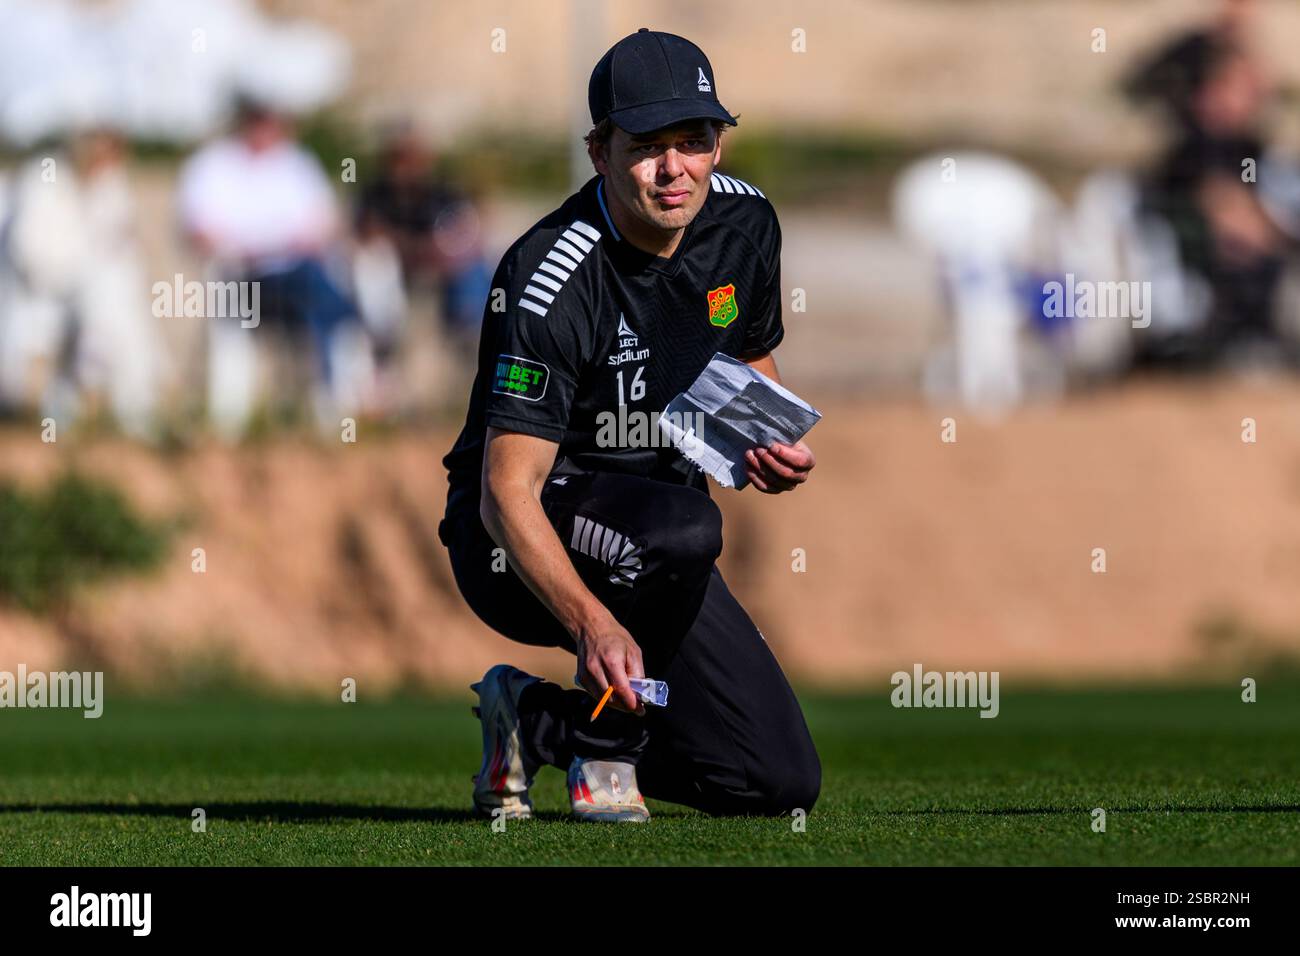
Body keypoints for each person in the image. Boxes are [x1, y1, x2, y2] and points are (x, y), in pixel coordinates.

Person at [437, 29, 820, 822]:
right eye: (647, 146)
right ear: (599, 151)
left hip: (662, 542)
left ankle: (538, 722)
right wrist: (593, 626)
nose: (673, 168)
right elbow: (505, 491)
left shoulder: (746, 227)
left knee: (775, 783)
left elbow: (750, 357)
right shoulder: (549, 276)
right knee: (687, 527)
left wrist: (765, 434)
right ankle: (607, 753)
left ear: (719, 144)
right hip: (516, 540)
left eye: (695, 141)